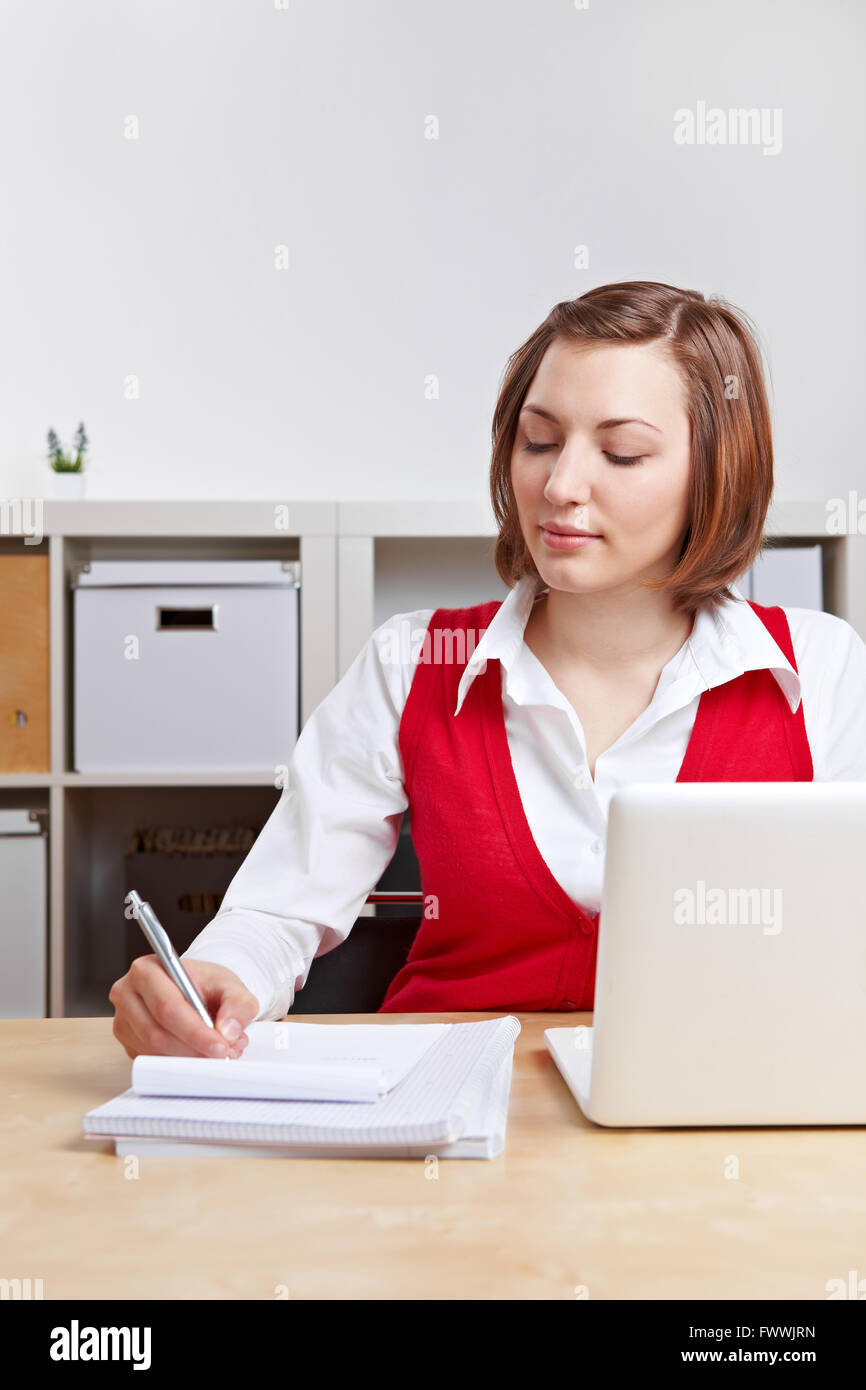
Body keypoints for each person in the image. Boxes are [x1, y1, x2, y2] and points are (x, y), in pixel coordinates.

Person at [109, 280, 866, 1059]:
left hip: (713, 1121)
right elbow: (275, 912)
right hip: (450, 1119)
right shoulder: (413, 664)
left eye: (622, 452)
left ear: (717, 470)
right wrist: (212, 979)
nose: (560, 487)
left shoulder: (821, 671)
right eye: (538, 441)